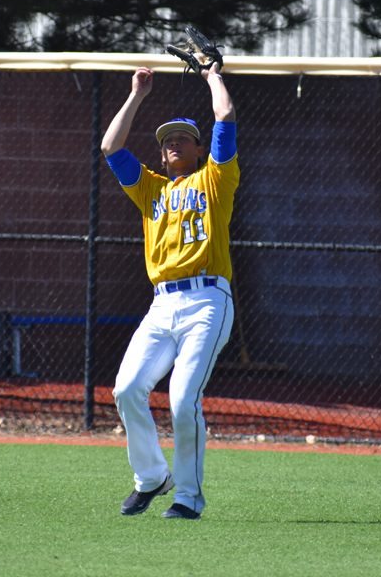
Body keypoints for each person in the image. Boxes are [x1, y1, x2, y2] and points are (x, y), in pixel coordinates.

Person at [101, 62, 238, 520]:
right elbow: (110, 146)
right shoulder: (151, 190)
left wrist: (211, 77)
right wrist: (137, 95)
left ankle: (187, 498)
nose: (173, 143)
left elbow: (225, 117)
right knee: (126, 389)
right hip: (162, 305)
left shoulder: (215, 180)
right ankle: (152, 478)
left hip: (207, 301)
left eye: (182, 137)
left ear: (200, 149)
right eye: (166, 141)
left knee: (182, 399)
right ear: (160, 156)